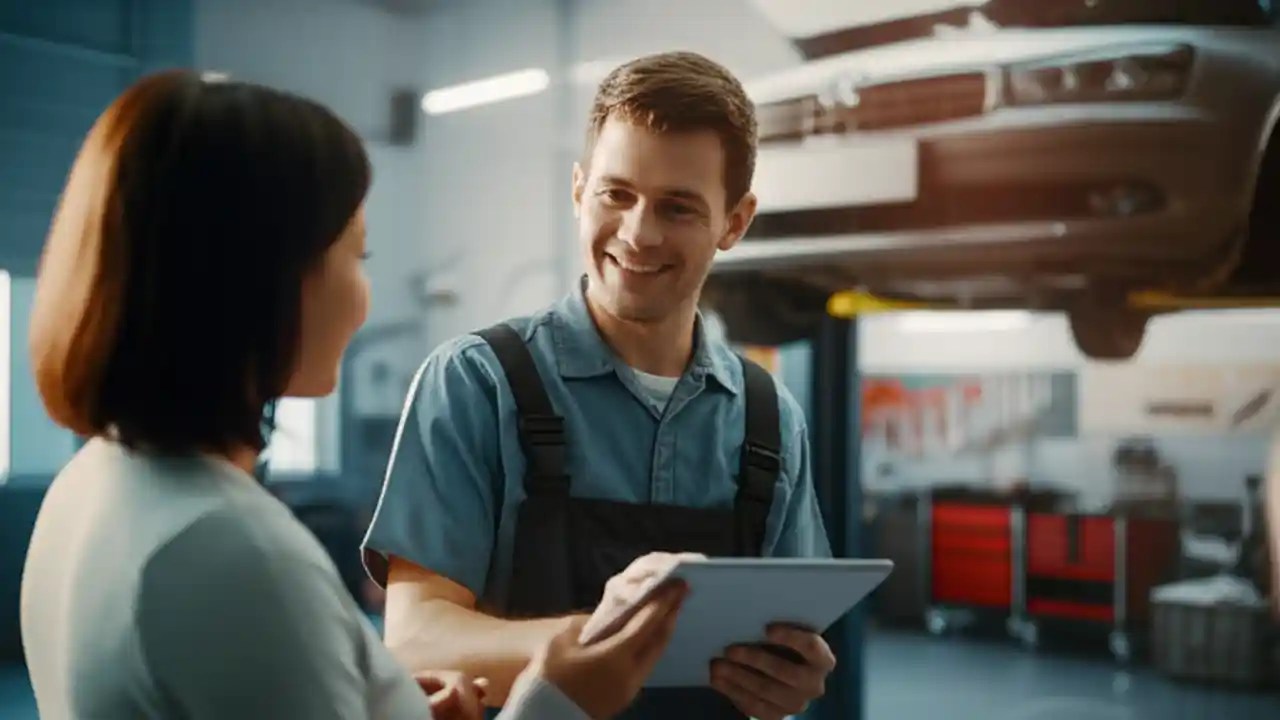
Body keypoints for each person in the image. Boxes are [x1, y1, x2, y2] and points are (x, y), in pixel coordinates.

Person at [18, 69, 684, 720]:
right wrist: (557, 704)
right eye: (355, 258)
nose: (365, 301)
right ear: (264, 279)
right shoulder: (233, 554)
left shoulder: (96, 483)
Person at [362, 51, 835, 720]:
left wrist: (789, 682)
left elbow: (788, 641)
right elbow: (414, 643)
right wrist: (599, 639)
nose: (638, 233)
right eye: (618, 194)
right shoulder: (477, 383)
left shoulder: (769, 420)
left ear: (735, 221)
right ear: (580, 190)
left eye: (678, 208)